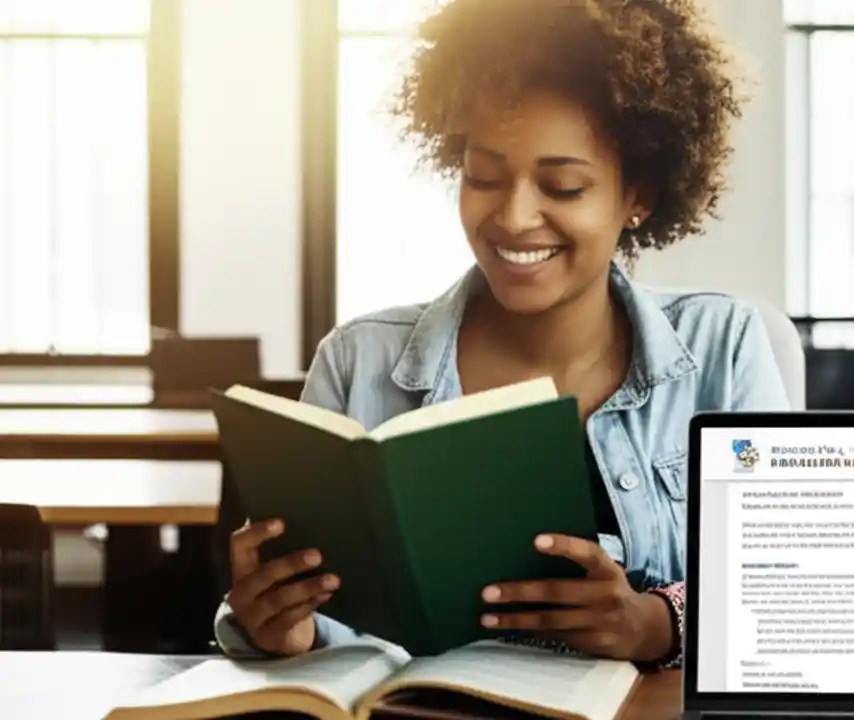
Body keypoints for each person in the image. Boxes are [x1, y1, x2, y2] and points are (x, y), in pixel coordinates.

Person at [212, 0, 788, 667]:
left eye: (564, 186)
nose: (513, 217)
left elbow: (783, 589)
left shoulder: (726, 348)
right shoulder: (357, 360)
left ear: (640, 195)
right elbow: (331, 627)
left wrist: (654, 623)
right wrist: (281, 629)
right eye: (483, 176)